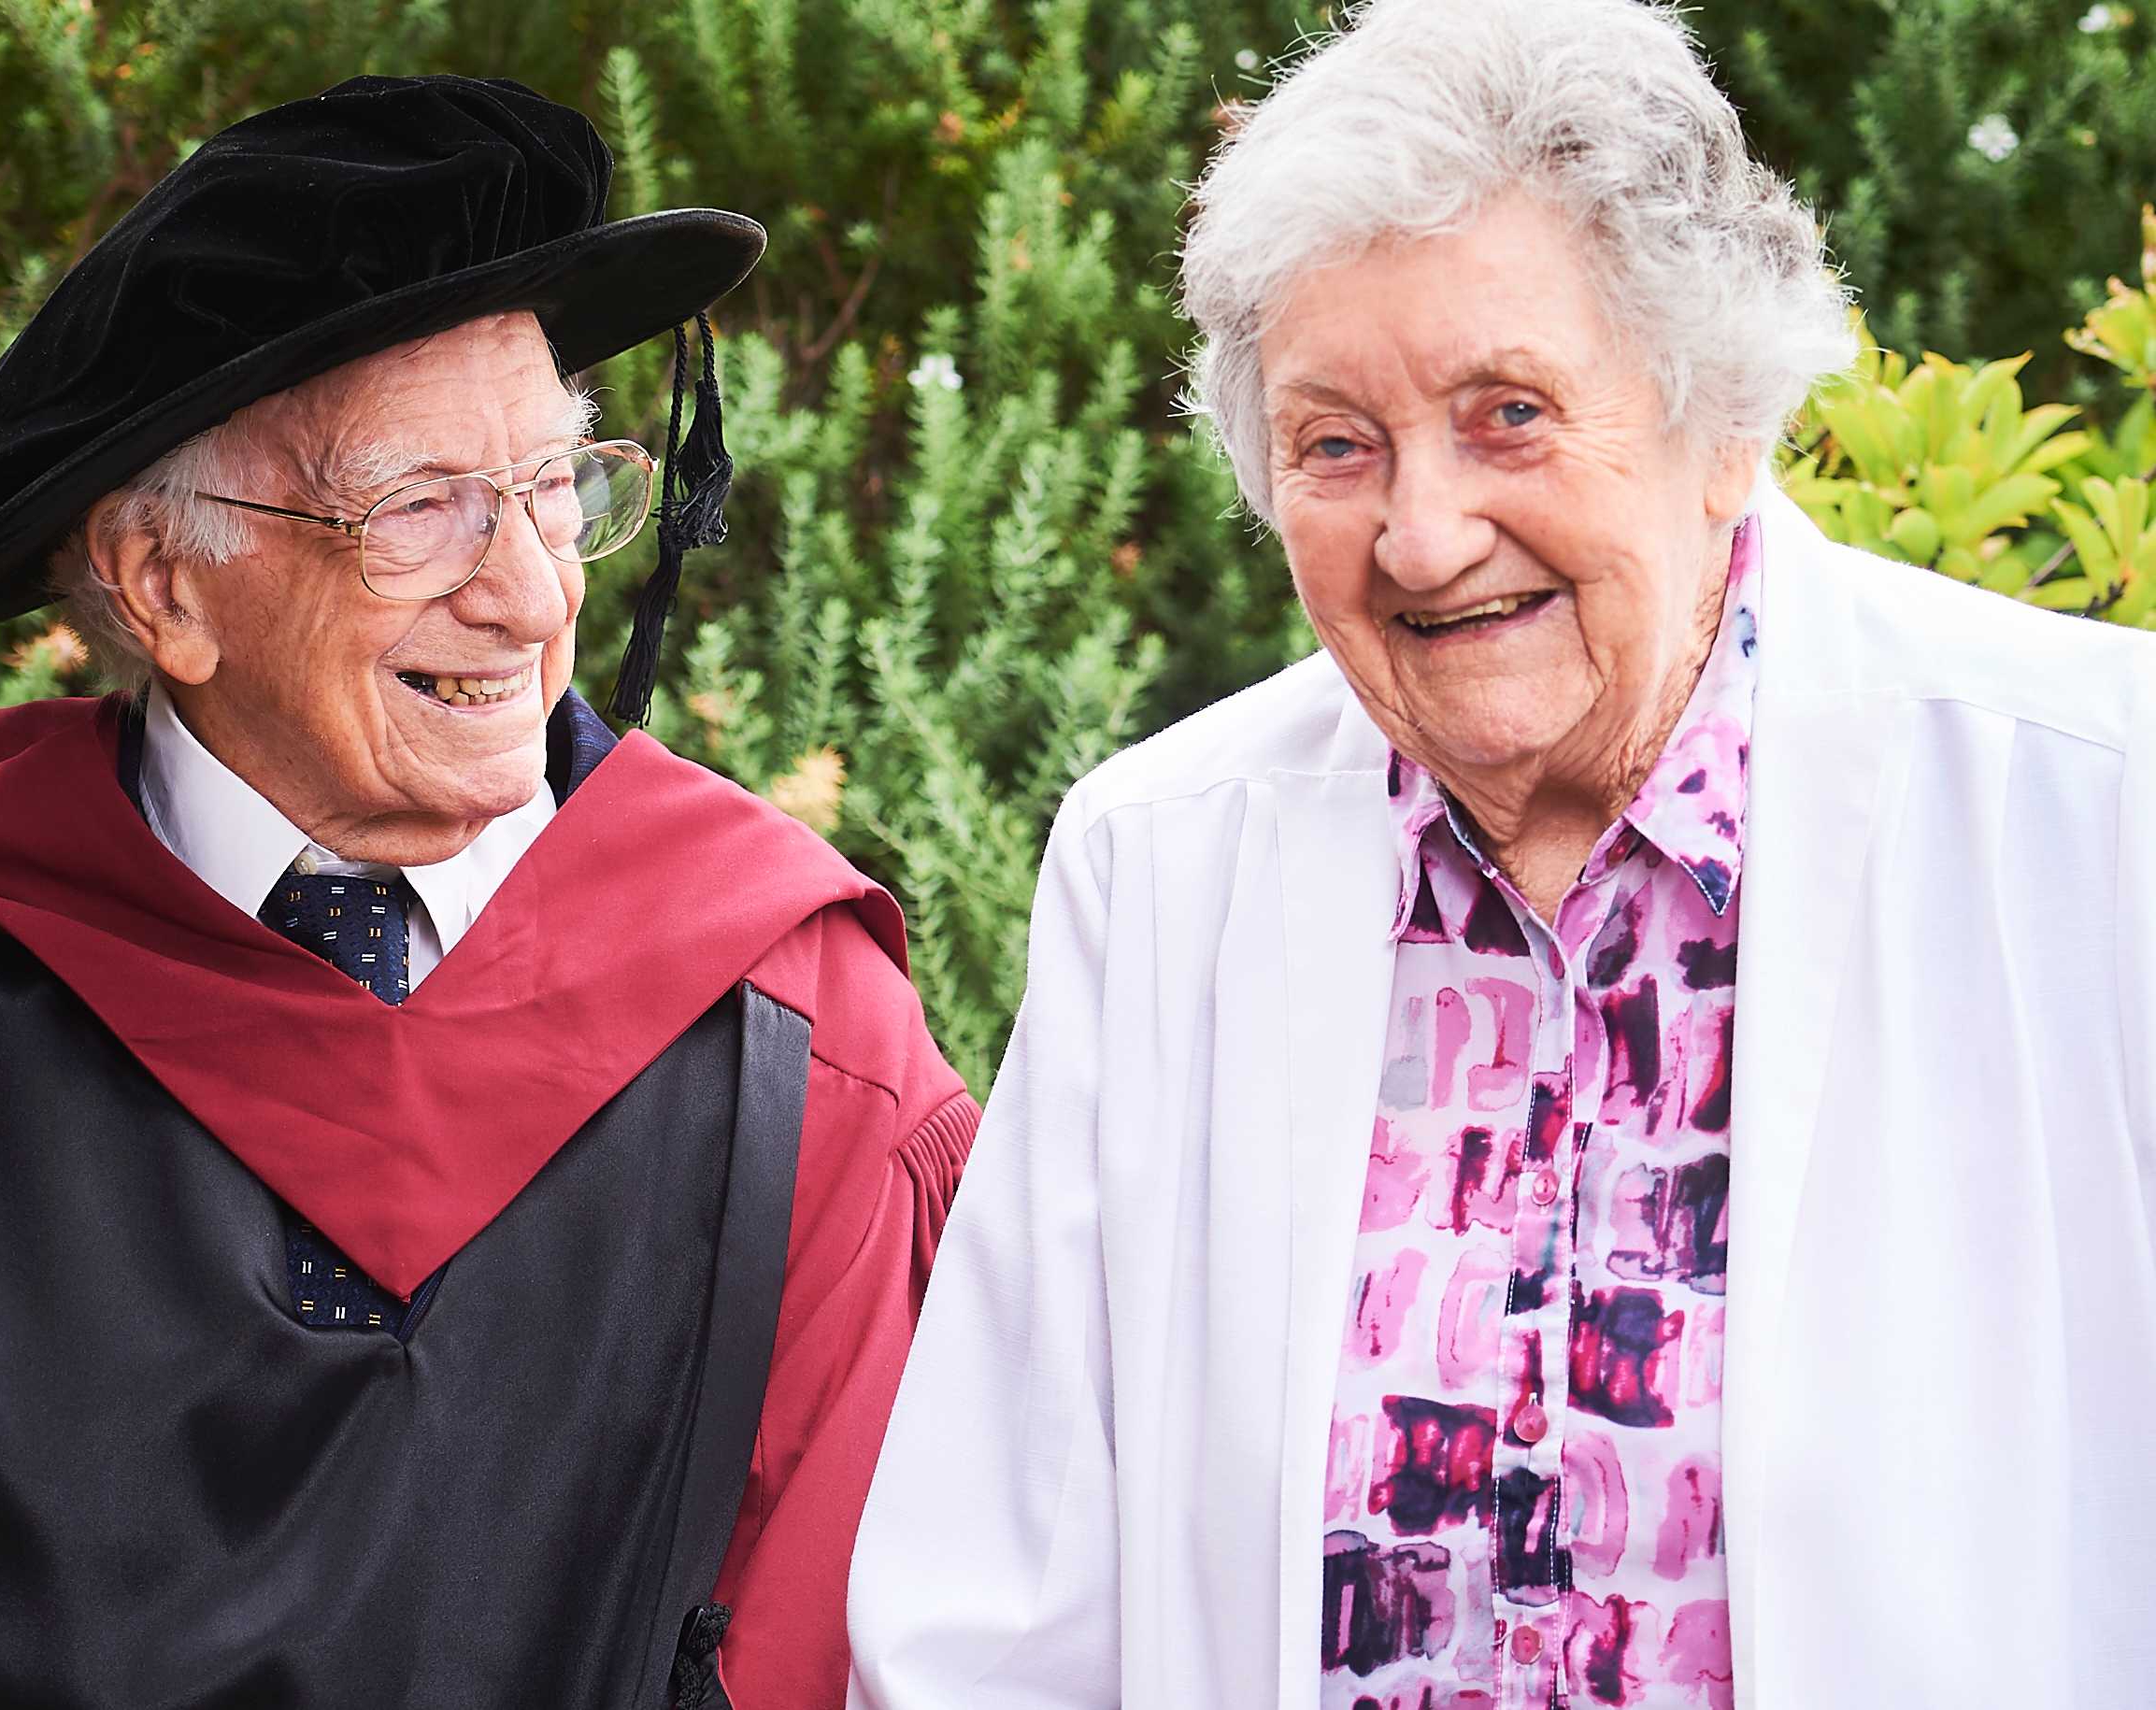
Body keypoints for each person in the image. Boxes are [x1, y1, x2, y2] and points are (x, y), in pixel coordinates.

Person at [0, 76, 978, 1710]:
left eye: (556, 484)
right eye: (420, 510)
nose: (533, 593)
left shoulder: (802, 1038)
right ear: (164, 582)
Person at [846, 2, 2156, 1705]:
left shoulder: (2092, 810)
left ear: (1725, 423)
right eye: (1337, 443)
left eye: (1509, 412)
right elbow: (988, 1621)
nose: (1423, 531)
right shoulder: (1160, 866)